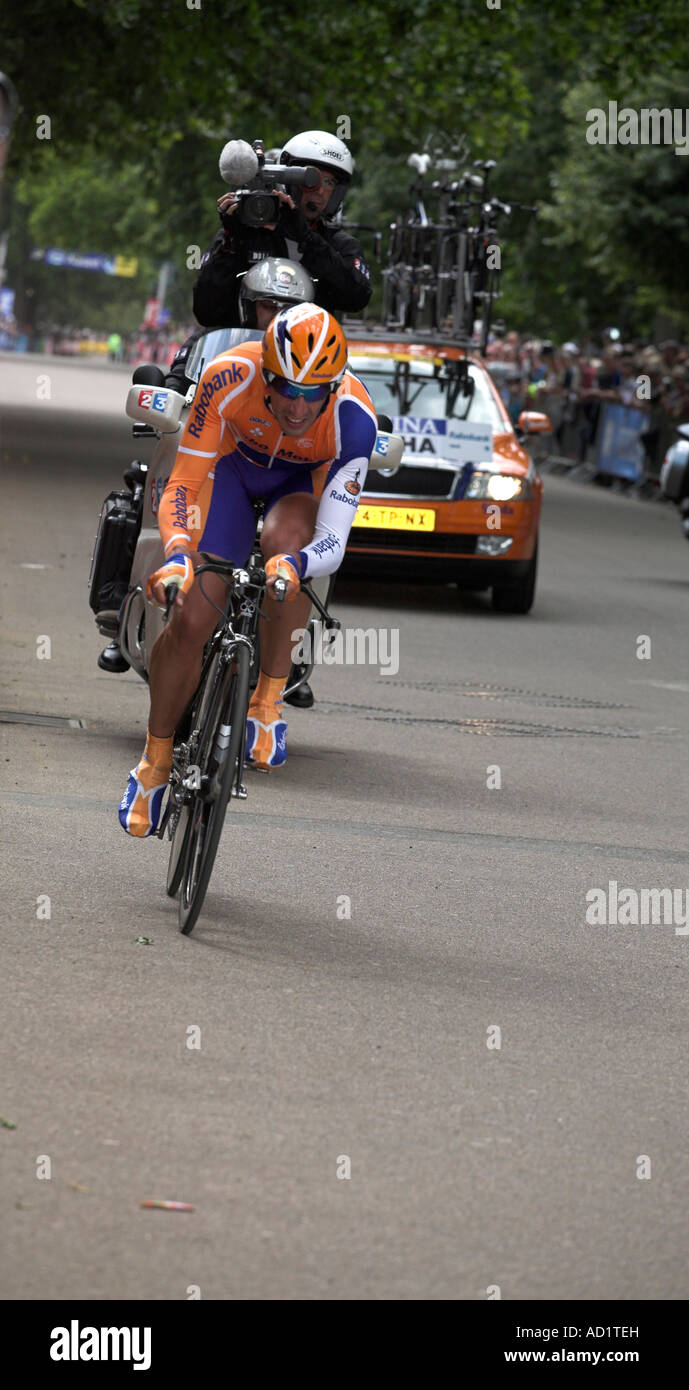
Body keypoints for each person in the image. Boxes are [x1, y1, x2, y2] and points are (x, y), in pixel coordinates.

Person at [119, 304, 376, 837]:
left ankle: (266, 699)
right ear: (265, 371)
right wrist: (177, 555)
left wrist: (297, 563)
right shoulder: (229, 376)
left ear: (334, 386)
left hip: (300, 485)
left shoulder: (354, 418)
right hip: (229, 471)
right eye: (286, 388)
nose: (299, 407)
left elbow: (333, 536)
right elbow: (184, 484)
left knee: (288, 553)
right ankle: (155, 761)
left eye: (314, 392)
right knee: (191, 619)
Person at [165, 129, 372, 393]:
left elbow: (356, 297)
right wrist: (232, 241)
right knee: (187, 359)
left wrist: (305, 237)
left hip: (308, 371)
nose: (320, 191)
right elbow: (206, 311)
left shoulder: (341, 245)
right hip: (235, 361)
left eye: (330, 183)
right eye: (312, 180)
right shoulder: (245, 231)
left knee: (355, 391)